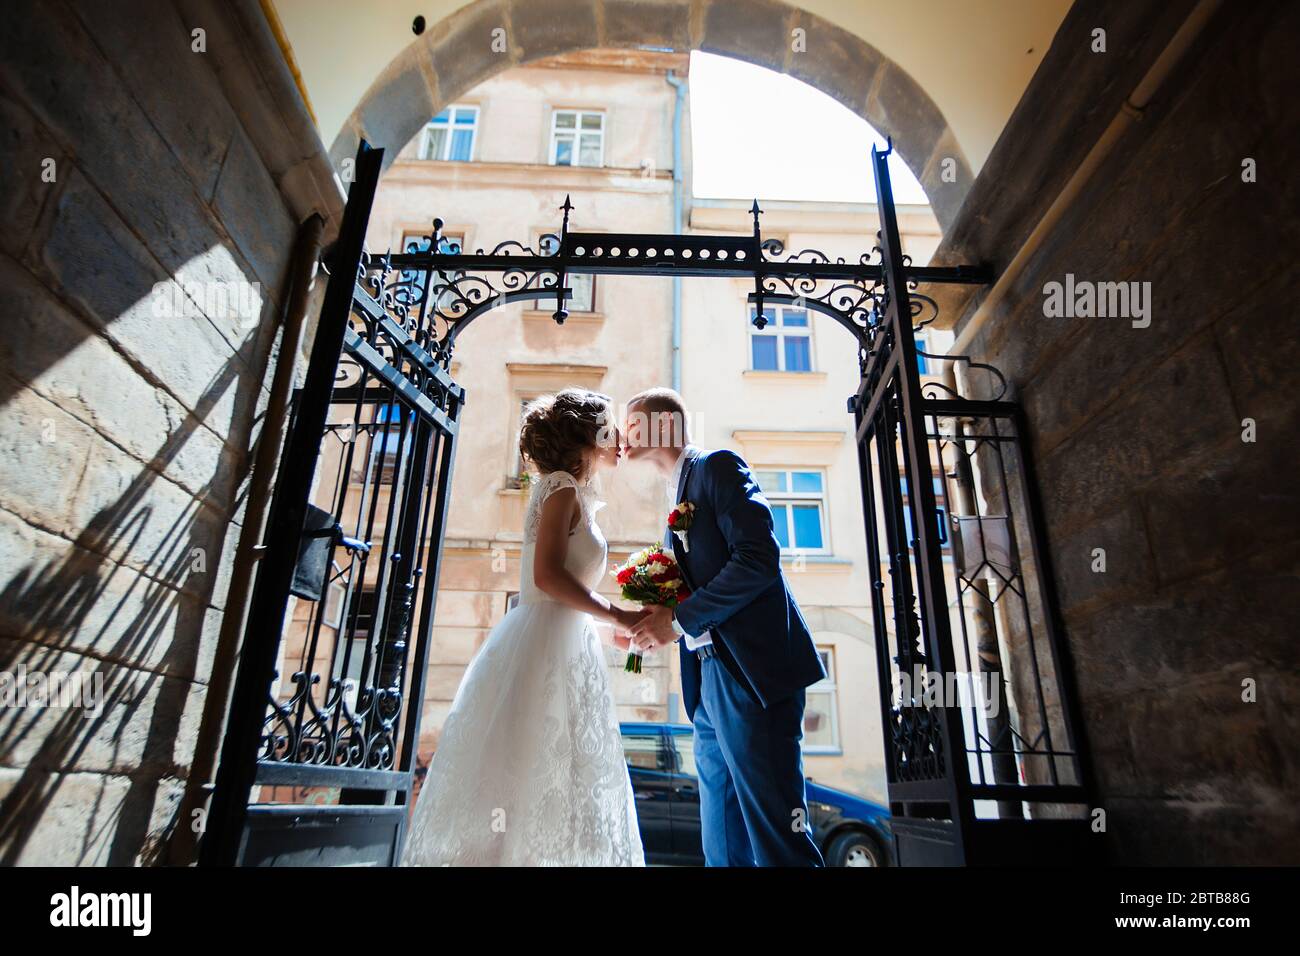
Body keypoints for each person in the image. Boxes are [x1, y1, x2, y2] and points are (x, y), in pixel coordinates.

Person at [400, 388, 646, 866]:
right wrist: (616, 613)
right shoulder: (559, 487)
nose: (619, 439)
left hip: (562, 645)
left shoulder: (570, 491)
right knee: (528, 767)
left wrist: (603, 631)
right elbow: (546, 577)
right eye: (610, 428)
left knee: (554, 775)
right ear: (587, 436)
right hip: (540, 651)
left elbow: (558, 593)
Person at [624, 386, 825, 866]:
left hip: (750, 673)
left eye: (631, 424)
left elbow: (758, 559)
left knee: (777, 831)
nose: (620, 436)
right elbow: (694, 589)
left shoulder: (716, 466)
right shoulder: (674, 498)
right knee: (722, 836)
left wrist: (676, 620)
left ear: (663, 426)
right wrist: (645, 625)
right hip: (706, 678)